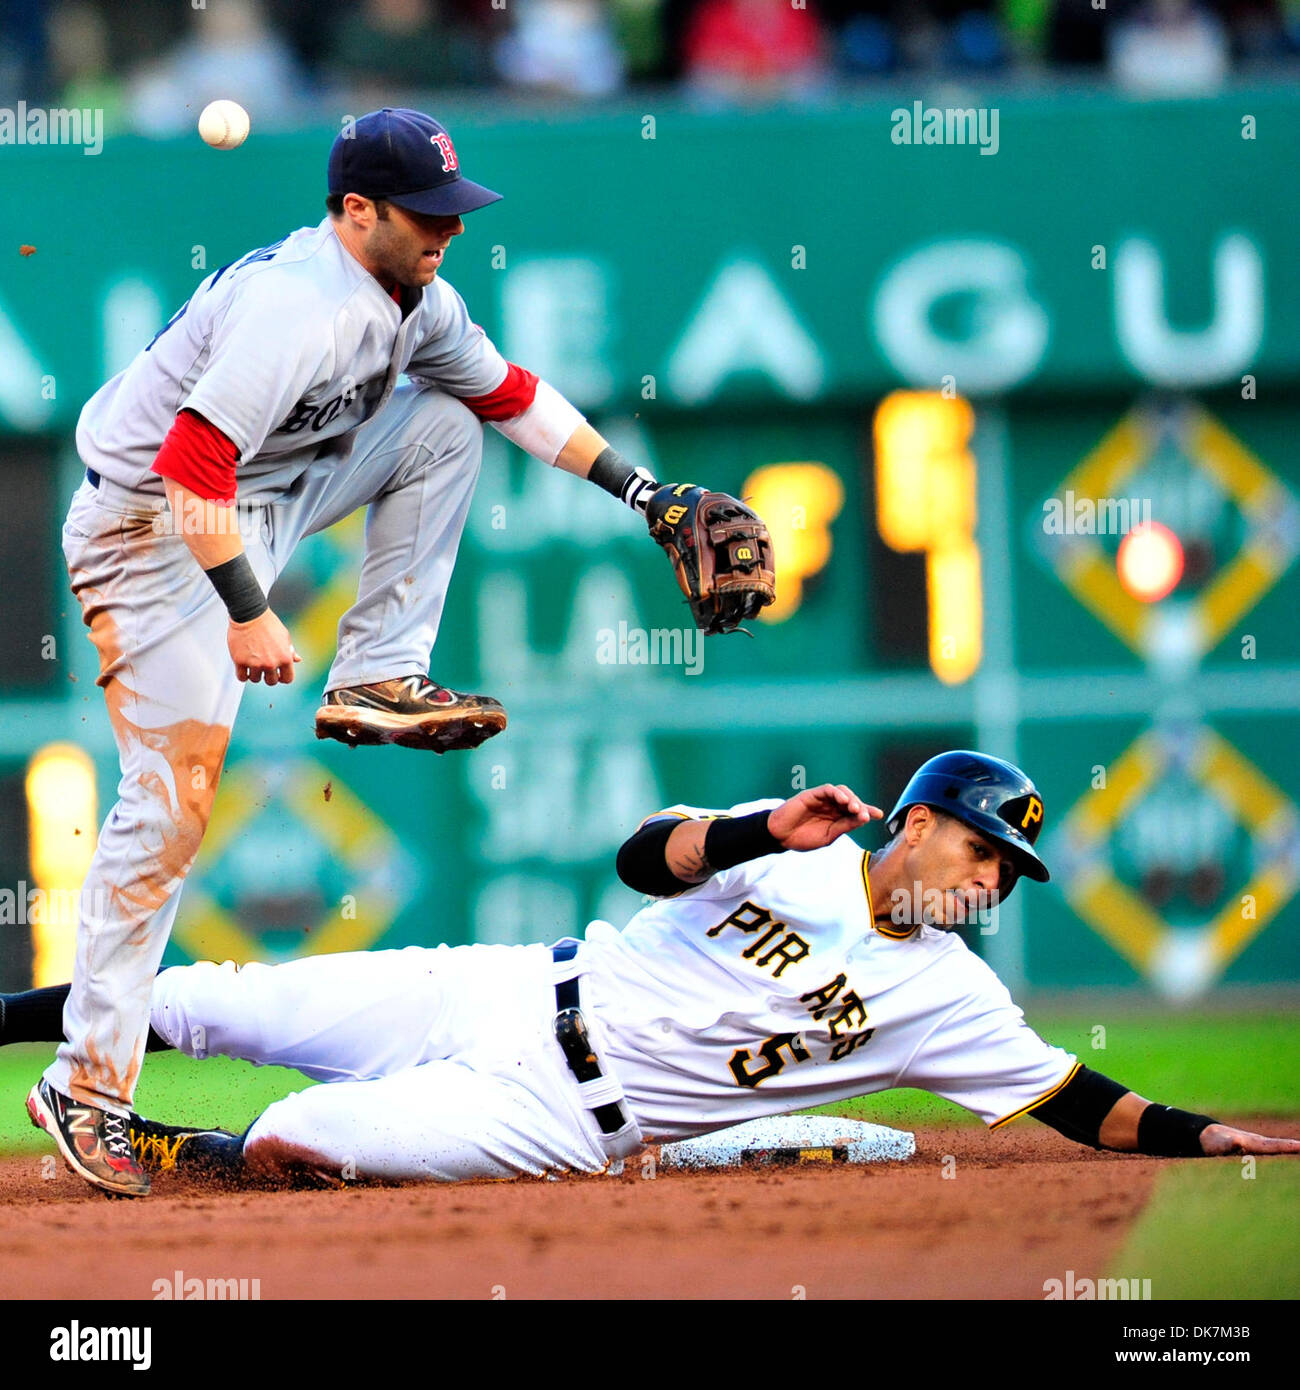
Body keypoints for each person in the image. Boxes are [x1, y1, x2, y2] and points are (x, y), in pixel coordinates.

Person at [33, 105, 727, 1197]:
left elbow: (510, 397)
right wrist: (249, 608)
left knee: (448, 418)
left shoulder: (418, 298)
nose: (446, 229)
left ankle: (374, 672)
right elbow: (189, 465)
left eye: (453, 208)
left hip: (256, 498)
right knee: (171, 803)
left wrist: (643, 492)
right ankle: (87, 1082)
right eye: (423, 212)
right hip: (152, 531)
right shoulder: (297, 308)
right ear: (357, 211)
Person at [15, 752, 1297, 1190]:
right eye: (983, 846)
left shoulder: (952, 998)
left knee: (299, 1131)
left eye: (1009, 867)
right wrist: (755, 830)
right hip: (510, 986)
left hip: (557, 1119)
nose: (992, 875)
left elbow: (1077, 1099)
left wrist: (1205, 1138)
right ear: (916, 822)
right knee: (204, 996)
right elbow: (642, 859)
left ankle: (186, 1156)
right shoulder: (799, 844)